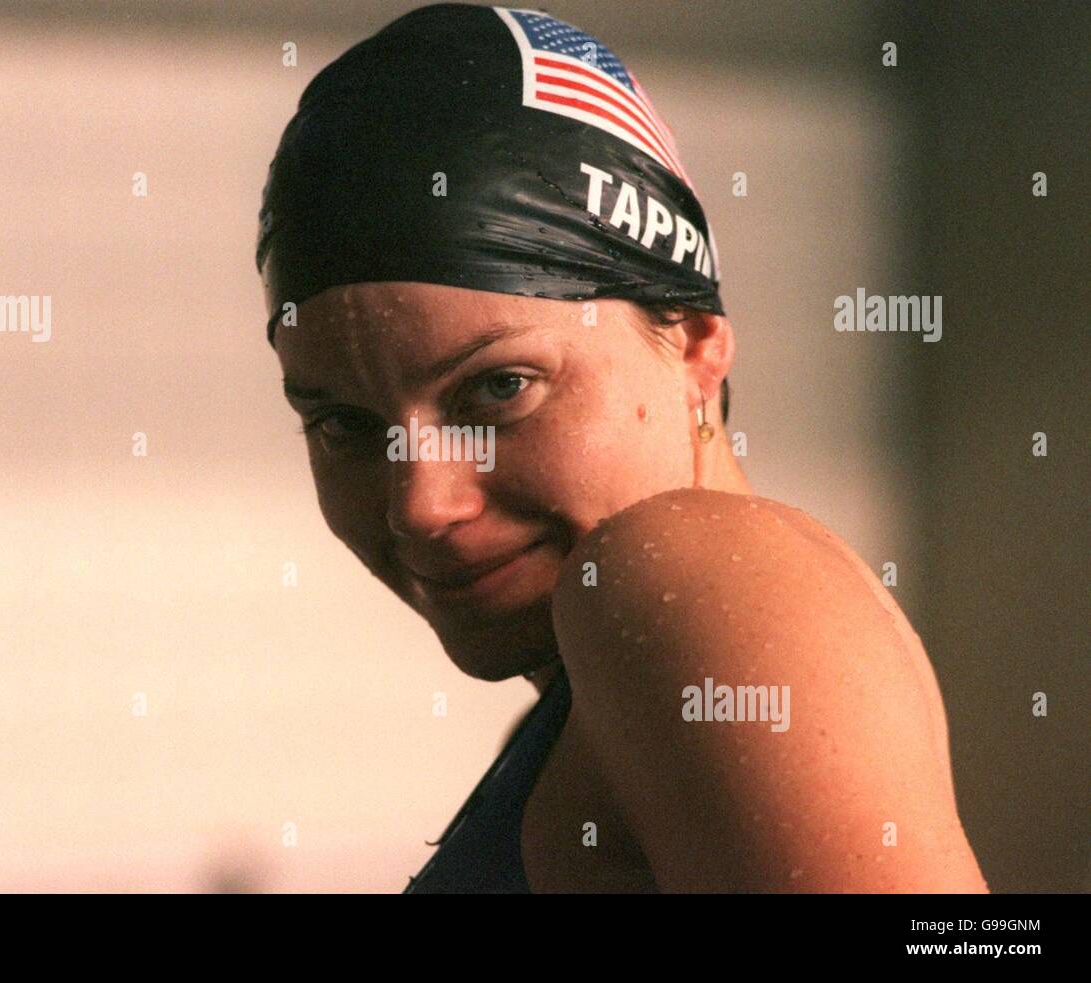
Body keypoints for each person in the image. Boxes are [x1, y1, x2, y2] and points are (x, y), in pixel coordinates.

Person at [256, 3, 988, 892]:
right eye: (344, 424)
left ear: (693, 341)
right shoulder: (577, 707)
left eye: (499, 387)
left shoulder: (688, 579)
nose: (421, 503)